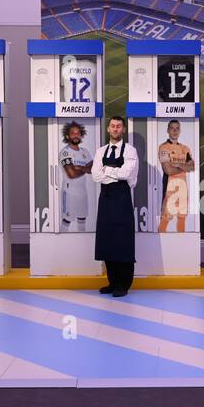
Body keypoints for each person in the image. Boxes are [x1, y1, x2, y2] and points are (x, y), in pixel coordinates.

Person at [92, 116, 138, 296]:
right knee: (107, 241)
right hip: (106, 201)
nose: (115, 129)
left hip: (122, 200)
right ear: (108, 129)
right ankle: (112, 282)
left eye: (119, 126)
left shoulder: (130, 150)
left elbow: (126, 174)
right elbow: (95, 176)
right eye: (113, 126)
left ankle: (123, 285)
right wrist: (114, 173)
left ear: (123, 130)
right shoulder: (100, 151)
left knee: (123, 241)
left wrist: (107, 170)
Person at [157, 119, 194, 233]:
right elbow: (167, 170)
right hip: (170, 187)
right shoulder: (163, 147)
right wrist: (183, 166)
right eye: (172, 128)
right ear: (168, 130)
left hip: (183, 188)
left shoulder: (185, 148)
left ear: (180, 130)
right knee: (165, 219)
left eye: (177, 128)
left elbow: (191, 167)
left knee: (182, 218)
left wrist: (176, 164)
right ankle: (161, 244)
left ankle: (181, 246)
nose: (175, 131)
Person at [58, 121, 94, 232]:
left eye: (78, 133)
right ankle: (62, 244)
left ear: (81, 135)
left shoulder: (85, 152)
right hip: (69, 192)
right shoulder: (65, 152)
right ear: (67, 136)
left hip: (83, 192)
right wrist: (85, 168)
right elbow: (72, 174)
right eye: (73, 133)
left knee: (82, 219)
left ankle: (82, 244)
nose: (76, 135)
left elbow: (93, 169)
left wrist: (79, 167)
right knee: (66, 221)